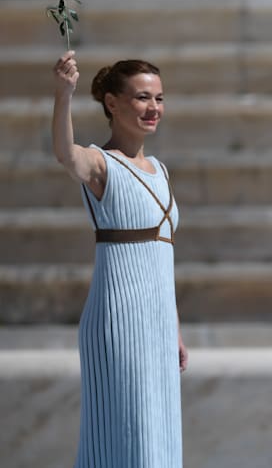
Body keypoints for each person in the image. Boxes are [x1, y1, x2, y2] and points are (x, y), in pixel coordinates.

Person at [52, 50, 187, 467]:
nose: (153, 108)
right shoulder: (100, 164)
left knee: (158, 431)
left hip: (158, 322)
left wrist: (175, 328)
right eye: (143, 98)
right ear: (112, 103)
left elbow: (162, 258)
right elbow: (64, 154)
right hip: (119, 319)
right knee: (124, 433)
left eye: (159, 99)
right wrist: (64, 94)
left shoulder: (160, 170)